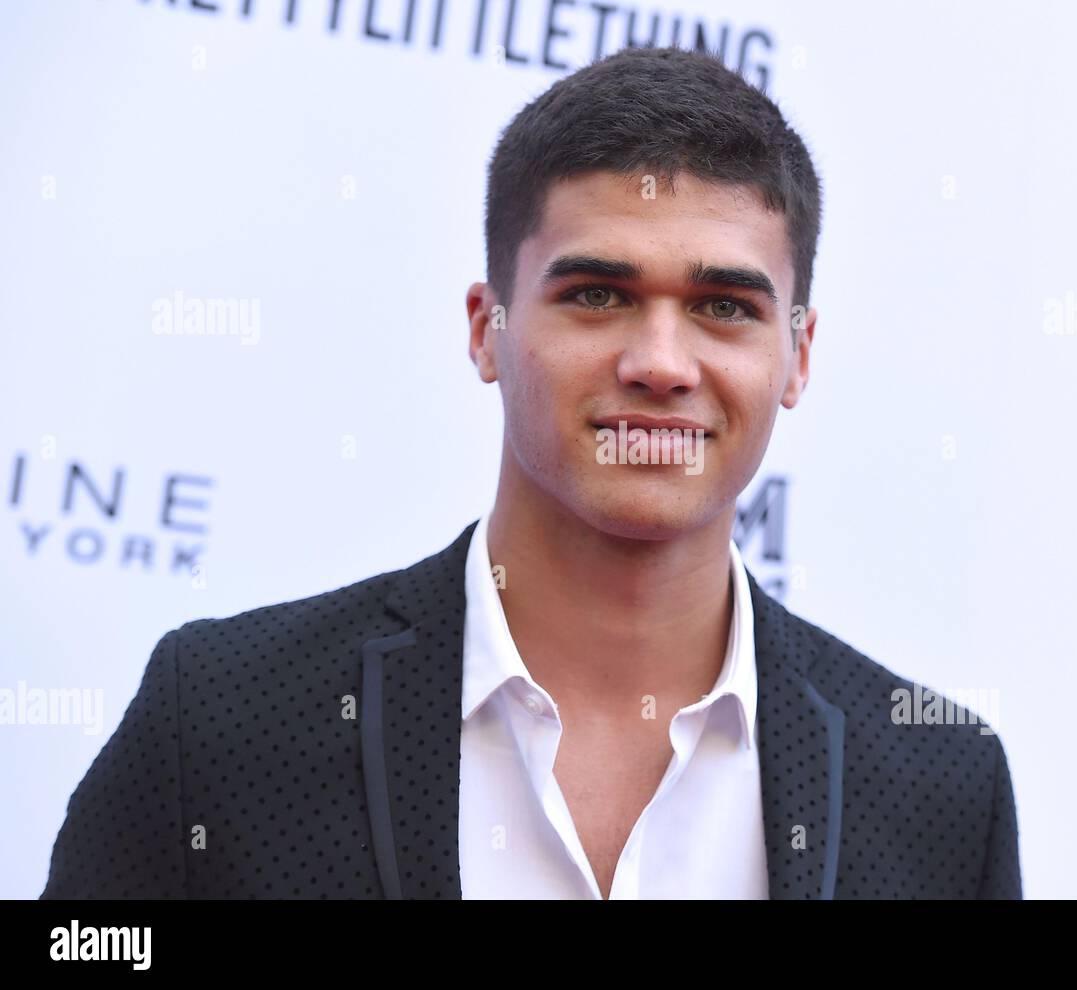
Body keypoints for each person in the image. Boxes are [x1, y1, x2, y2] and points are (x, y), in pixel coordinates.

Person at [41, 45, 1021, 900]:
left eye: (725, 308)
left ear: (797, 357)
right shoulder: (222, 719)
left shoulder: (939, 789)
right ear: (487, 328)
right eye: (597, 294)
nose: (661, 363)